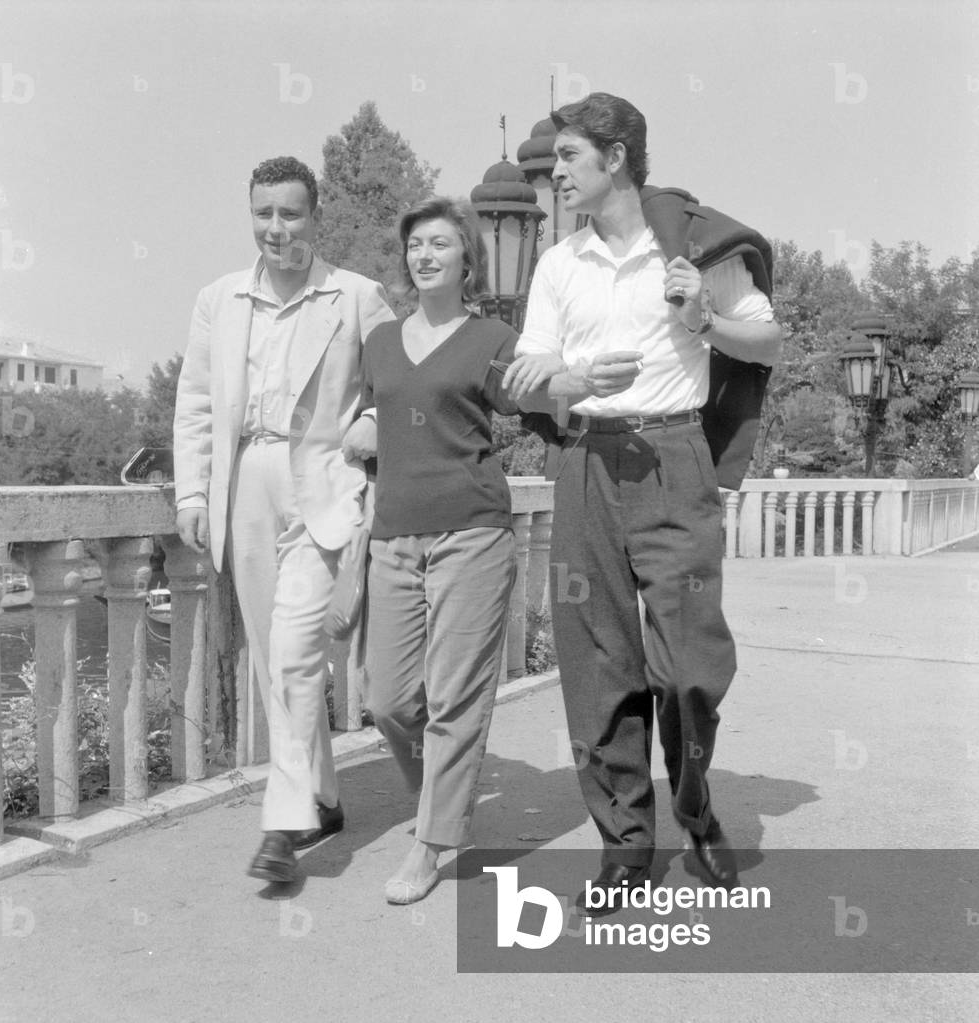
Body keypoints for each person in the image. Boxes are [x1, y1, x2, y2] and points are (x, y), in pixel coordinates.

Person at [504, 93, 782, 913]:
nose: (552, 173)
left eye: (565, 157)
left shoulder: (695, 253)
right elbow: (528, 371)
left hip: (673, 458)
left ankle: (694, 809)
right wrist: (562, 381)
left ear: (615, 156)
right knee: (596, 665)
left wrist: (702, 319)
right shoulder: (558, 266)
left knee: (692, 666)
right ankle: (625, 844)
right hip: (587, 460)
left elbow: (766, 340)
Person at [173, 155, 395, 883]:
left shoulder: (356, 298)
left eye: (290, 213)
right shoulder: (219, 299)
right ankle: (324, 796)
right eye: (264, 213)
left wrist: (369, 419)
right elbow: (198, 403)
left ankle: (282, 823)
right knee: (276, 657)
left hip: (322, 484)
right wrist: (194, 496)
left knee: (297, 648)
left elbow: (400, 382)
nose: (276, 229)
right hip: (246, 481)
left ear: (315, 216)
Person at [341, 197, 522, 905]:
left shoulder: (491, 338)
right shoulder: (381, 341)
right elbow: (372, 408)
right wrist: (360, 426)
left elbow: (537, 401)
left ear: (466, 259)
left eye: (440, 243)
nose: (425, 255)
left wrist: (571, 381)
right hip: (393, 532)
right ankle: (440, 806)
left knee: (453, 695)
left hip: (471, 529)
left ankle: (431, 843)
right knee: (387, 699)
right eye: (415, 244)